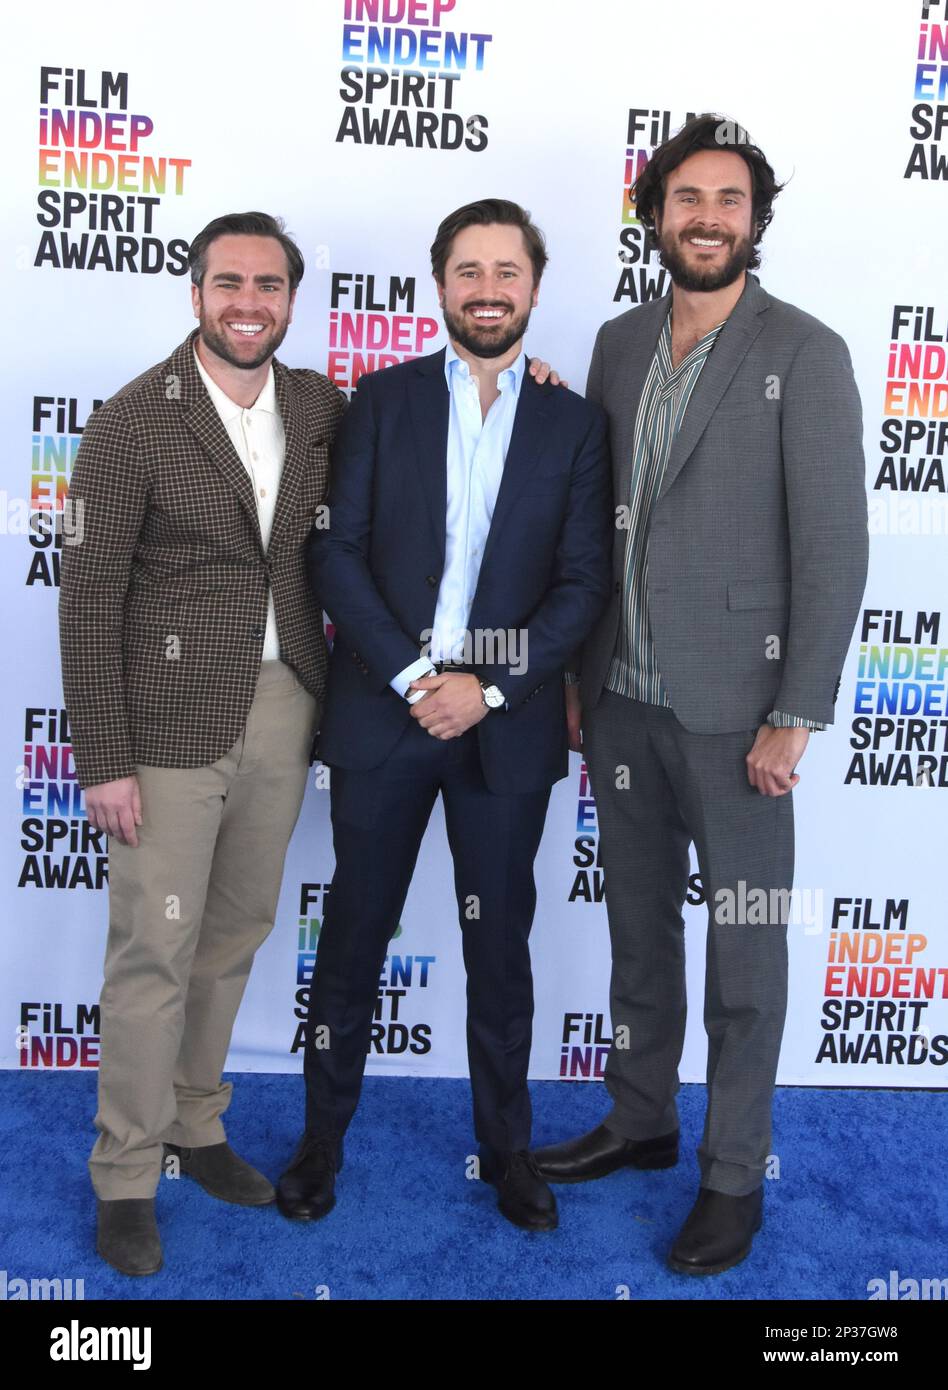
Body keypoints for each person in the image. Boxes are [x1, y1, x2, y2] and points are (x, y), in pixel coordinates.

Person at [532, 115, 869, 1274]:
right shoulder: (620, 342)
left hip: (740, 711)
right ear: (656, 216)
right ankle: (639, 1119)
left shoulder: (807, 352)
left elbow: (833, 548)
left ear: (756, 220)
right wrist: (578, 678)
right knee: (636, 937)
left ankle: (732, 1172)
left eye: (729, 199)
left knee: (747, 953)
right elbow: (591, 513)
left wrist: (798, 710)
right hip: (618, 698)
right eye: (687, 199)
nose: (708, 218)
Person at [276, 198, 613, 1232]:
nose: (488, 289)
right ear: (440, 286)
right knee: (351, 945)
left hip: (503, 731)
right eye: (468, 270)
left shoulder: (573, 420)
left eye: (507, 271)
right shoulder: (379, 401)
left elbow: (582, 581)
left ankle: (508, 1153)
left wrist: (490, 686)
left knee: (499, 950)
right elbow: (335, 550)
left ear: (535, 288)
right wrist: (420, 675)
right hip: (386, 716)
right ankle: (319, 1145)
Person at [59, 211, 346, 1276]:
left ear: (288, 300)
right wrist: (103, 756)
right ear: (194, 294)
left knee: (233, 933)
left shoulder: (319, 405)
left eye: (268, 286)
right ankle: (125, 1173)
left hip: (286, 705)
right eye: (228, 283)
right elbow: (88, 599)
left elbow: (418, 442)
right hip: (166, 727)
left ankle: (195, 1119)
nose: (248, 303)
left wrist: (523, 375)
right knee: (153, 955)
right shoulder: (133, 420)